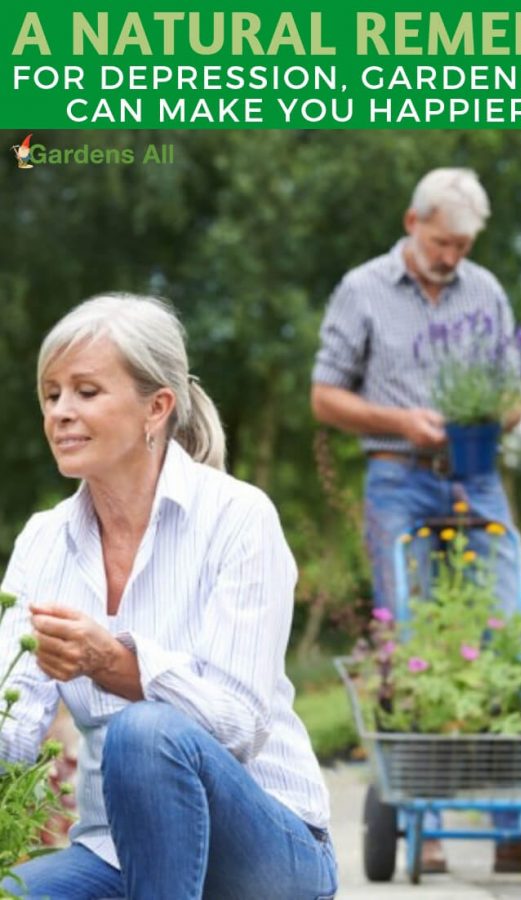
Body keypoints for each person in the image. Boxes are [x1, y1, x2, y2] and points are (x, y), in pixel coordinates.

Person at [0, 293, 338, 900]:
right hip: (114, 852)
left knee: (144, 733)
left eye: (86, 392)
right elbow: (13, 732)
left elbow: (238, 726)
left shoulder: (239, 517)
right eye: (51, 395)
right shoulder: (43, 542)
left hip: (267, 853)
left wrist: (113, 662)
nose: (61, 413)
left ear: (156, 408)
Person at [311, 167, 521, 874]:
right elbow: (325, 396)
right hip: (397, 478)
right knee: (409, 639)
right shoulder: (363, 289)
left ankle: (514, 815)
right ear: (413, 223)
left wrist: (493, 415)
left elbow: (514, 392)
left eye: (462, 246)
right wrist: (402, 421)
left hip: (476, 477)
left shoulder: (485, 290)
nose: (451, 257)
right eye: (442, 243)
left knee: (509, 627)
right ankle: (422, 819)